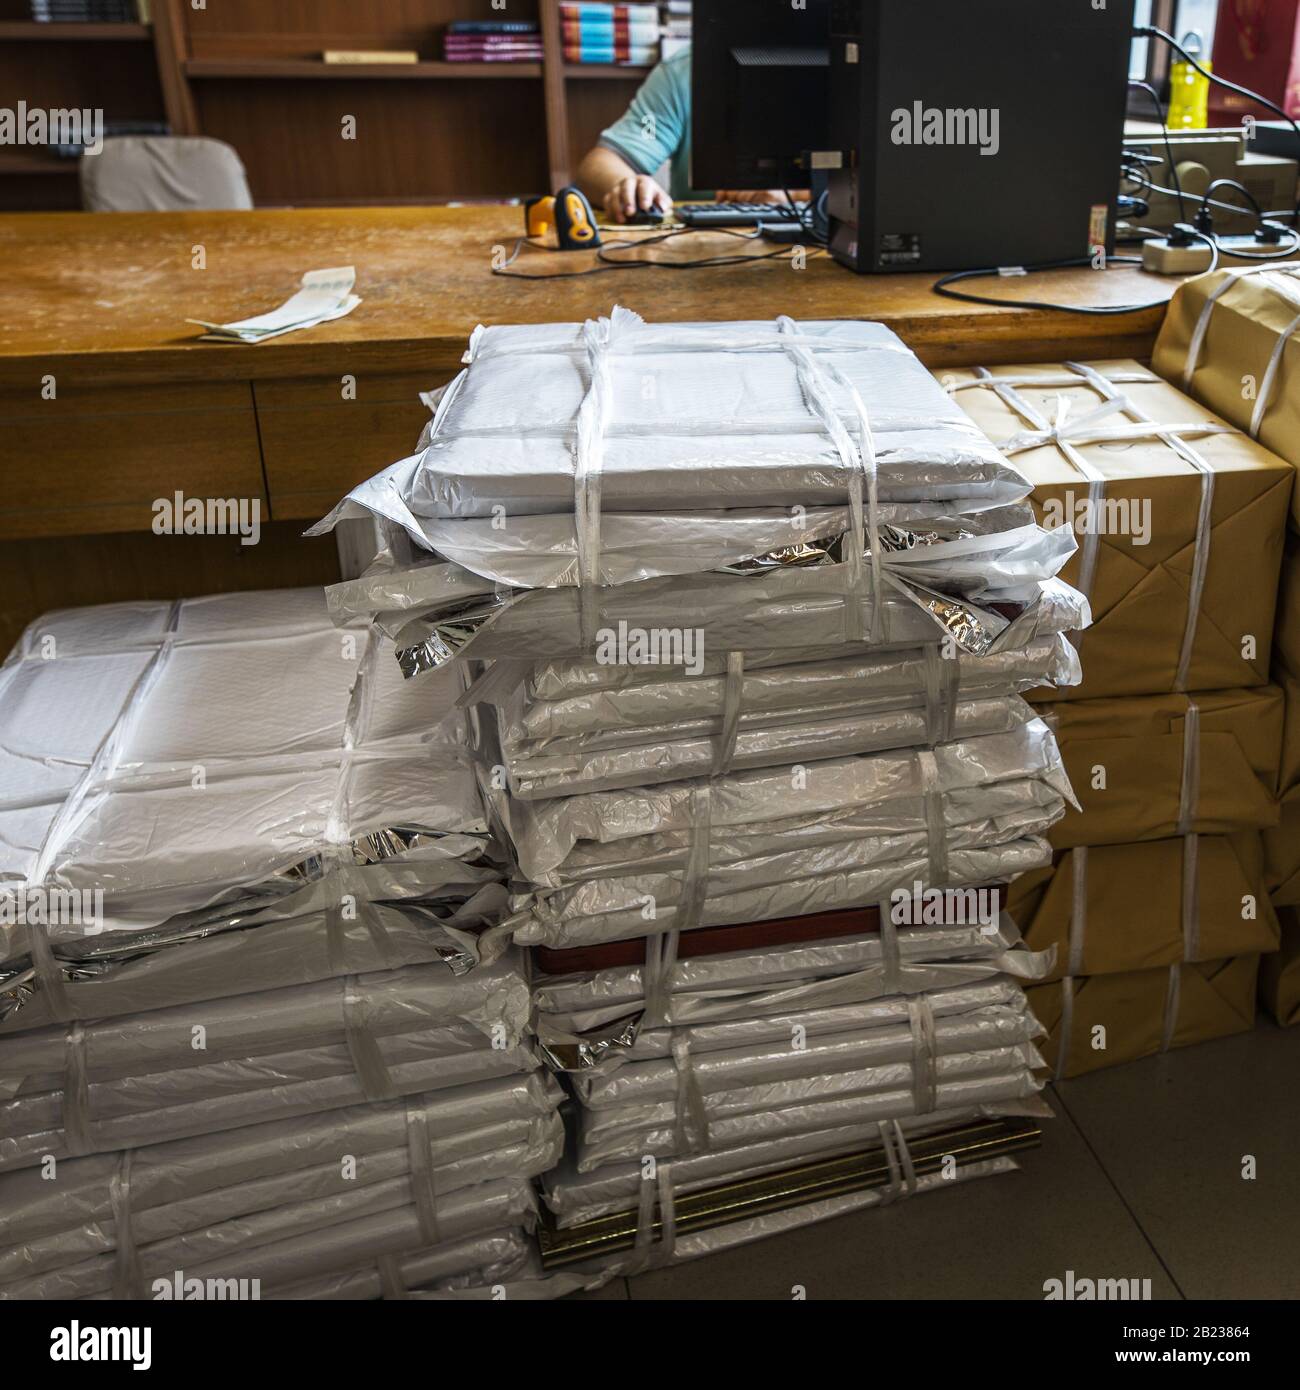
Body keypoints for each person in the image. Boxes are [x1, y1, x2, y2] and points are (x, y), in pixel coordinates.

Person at [575, 46, 803, 223]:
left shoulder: (835, 57)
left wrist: (797, 194)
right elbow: (604, 161)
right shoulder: (681, 73)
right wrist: (628, 185)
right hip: (704, 253)